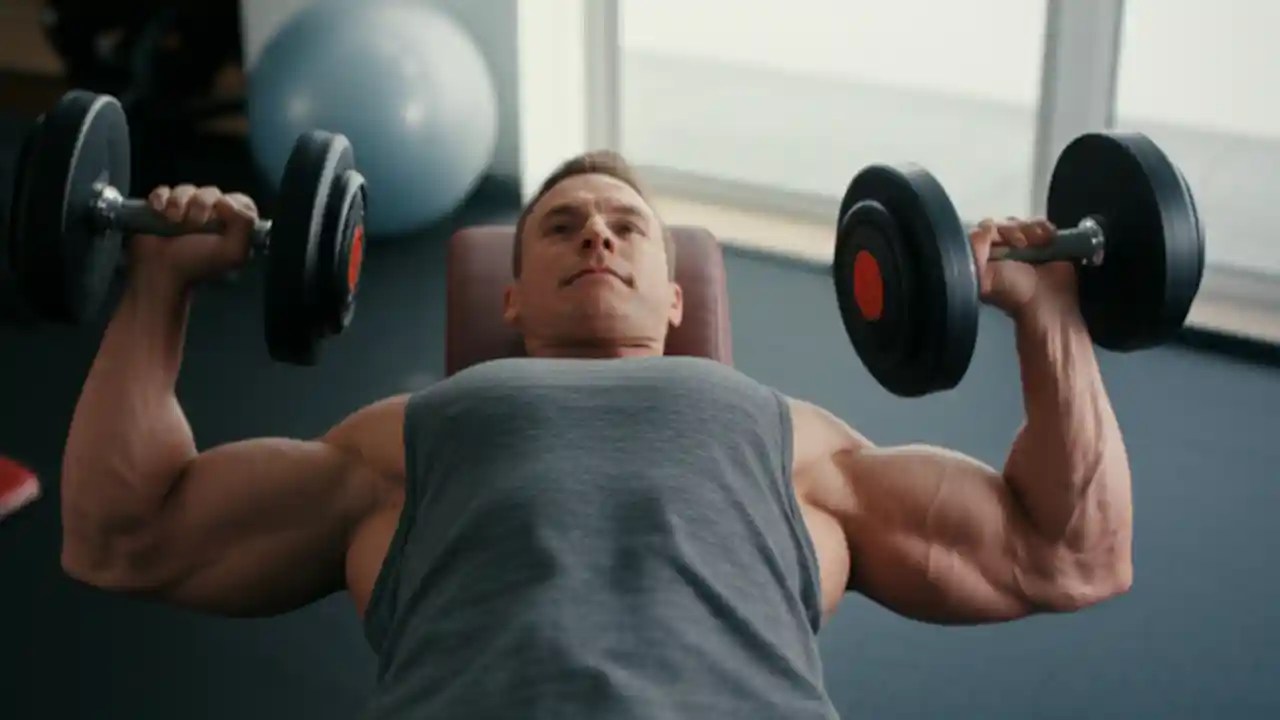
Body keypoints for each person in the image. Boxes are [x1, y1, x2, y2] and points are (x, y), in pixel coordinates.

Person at [59, 151, 1133, 719]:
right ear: (511, 296)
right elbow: (125, 532)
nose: (597, 234)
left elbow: (1066, 552)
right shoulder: (403, 439)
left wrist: (1049, 322)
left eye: (627, 226)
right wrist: (157, 288)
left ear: (675, 299)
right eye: (561, 225)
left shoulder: (794, 442)